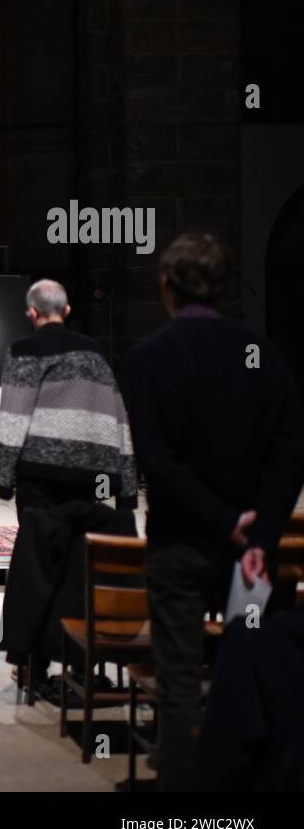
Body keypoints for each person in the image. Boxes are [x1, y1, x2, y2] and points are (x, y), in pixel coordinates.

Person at [123, 233, 304, 792]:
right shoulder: (262, 354)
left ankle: (184, 817)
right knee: (252, 670)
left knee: (178, 681)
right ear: (224, 286)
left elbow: (158, 460)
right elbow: (289, 452)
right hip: (248, 559)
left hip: (180, 546)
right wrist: (257, 534)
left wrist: (226, 521)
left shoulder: (149, 356)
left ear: (165, 286)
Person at [0, 280, 137, 701]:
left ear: (33, 312)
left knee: (37, 570)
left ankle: (33, 666)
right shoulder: (93, 353)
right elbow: (118, 417)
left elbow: (14, 416)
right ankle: (80, 664)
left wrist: (5, 477)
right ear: (68, 309)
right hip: (89, 479)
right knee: (80, 570)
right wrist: (126, 488)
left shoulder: (25, 350)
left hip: (39, 477)